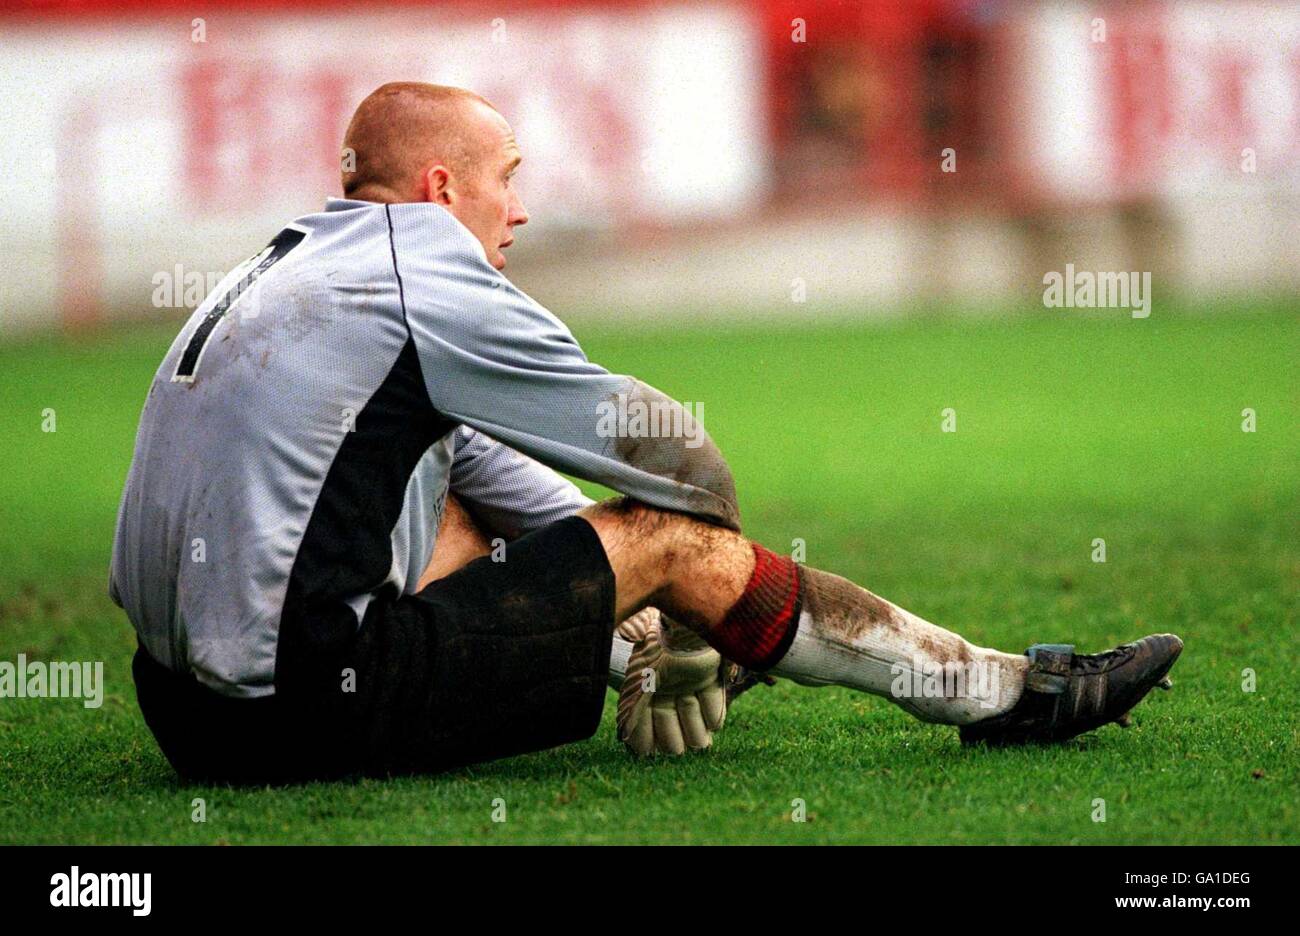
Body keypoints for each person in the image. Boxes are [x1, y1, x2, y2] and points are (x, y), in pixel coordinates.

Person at [110, 83, 1182, 784]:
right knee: (673, 538)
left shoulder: (294, 261)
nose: (518, 211)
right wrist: (694, 612)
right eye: (508, 178)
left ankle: (689, 630)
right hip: (290, 712)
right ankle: (998, 693)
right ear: (442, 188)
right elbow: (681, 465)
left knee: (470, 512)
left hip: (181, 706)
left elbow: (498, 487)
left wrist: (630, 627)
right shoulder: (423, 271)